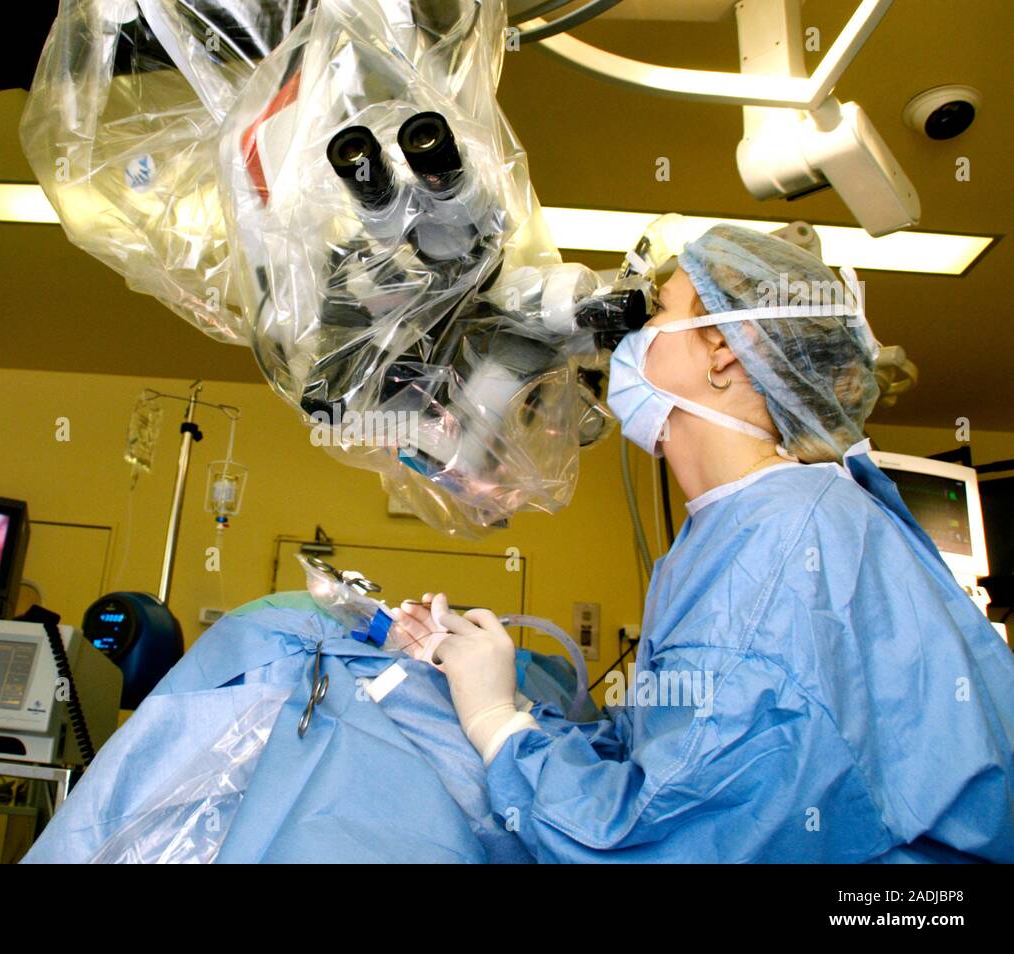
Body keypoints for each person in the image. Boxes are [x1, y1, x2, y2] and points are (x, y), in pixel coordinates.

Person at [393, 223, 1014, 862]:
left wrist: (495, 724)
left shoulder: (779, 551)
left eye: (660, 310)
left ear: (723, 352)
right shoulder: (738, 531)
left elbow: (663, 841)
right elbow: (664, 758)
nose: (633, 333)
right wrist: (506, 701)